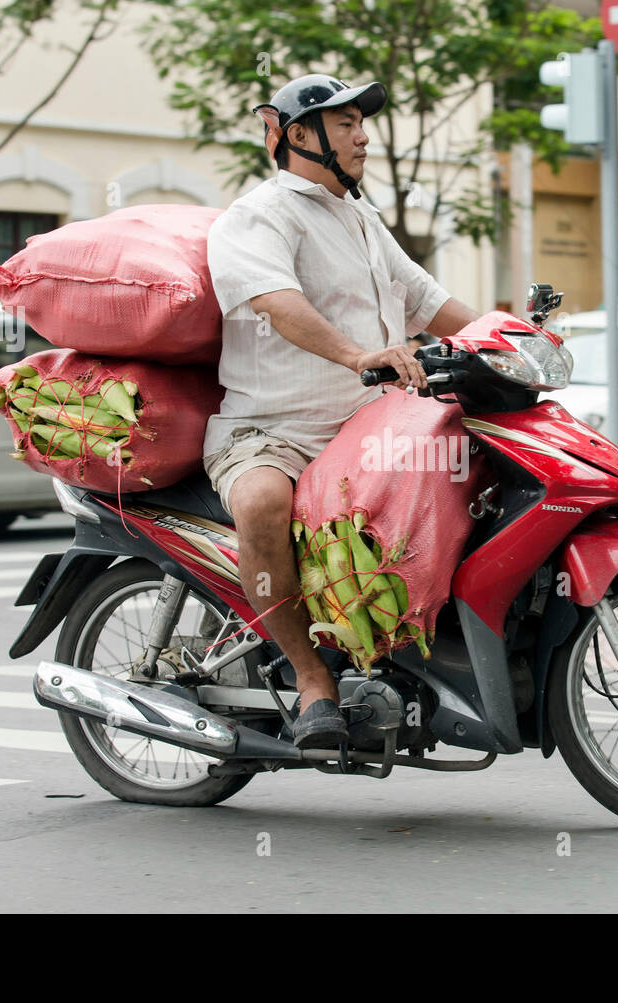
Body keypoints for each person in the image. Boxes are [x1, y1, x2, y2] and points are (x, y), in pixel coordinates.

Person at [203, 74, 482, 749]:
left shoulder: (361, 217)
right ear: (299, 135)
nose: (362, 138)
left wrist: (511, 342)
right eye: (346, 124)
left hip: (367, 427)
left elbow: (427, 299)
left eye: (363, 123)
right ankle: (312, 680)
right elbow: (278, 303)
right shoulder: (259, 215)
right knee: (263, 503)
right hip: (273, 431)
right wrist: (359, 355)